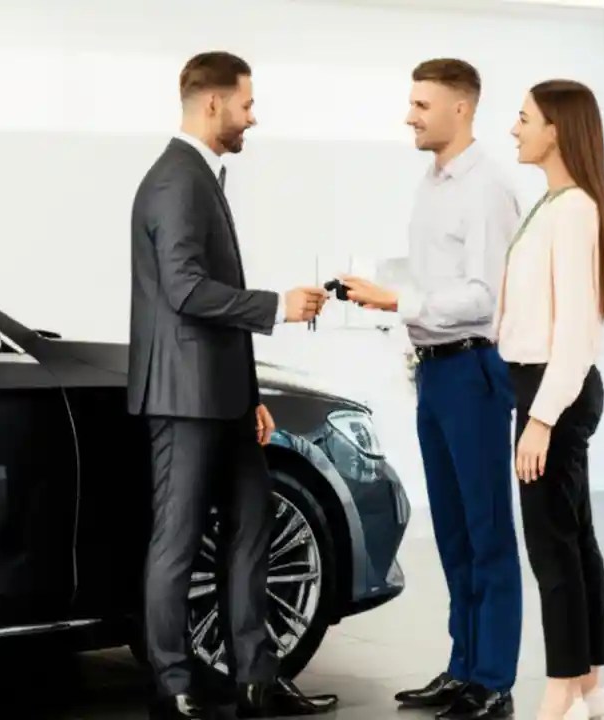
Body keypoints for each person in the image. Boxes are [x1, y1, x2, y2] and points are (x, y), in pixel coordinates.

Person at [127, 50, 339, 720]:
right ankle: (172, 683)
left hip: (223, 400)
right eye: (246, 104)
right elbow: (186, 291)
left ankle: (256, 680)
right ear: (212, 103)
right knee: (178, 540)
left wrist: (250, 397)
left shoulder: (201, 177)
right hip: (183, 402)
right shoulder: (175, 180)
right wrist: (276, 306)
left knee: (252, 532)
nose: (253, 117)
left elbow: (207, 308)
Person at [337, 58, 522, 720]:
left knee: (487, 531)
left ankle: (494, 679)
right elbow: (434, 279)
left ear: (461, 109)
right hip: (435, 370)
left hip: (473, 370)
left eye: (421, 104)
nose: (409, 115)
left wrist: (399, 299)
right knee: (452, 530)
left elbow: (484, 295)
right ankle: (462, 667)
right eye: (410, 103)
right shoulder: (433, 182)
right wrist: (395, 299)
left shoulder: (488, 188)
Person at [498, 79, 604, 720]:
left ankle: (560, 692)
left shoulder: (572, 210)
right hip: (550, 390)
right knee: (574, 541)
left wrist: (540, 419)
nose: (514, 129)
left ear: (556, 130)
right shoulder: (556, 203)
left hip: (555, 393)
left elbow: (576, 329)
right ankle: (591, 687)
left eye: (523, 119)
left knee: (552, 550)